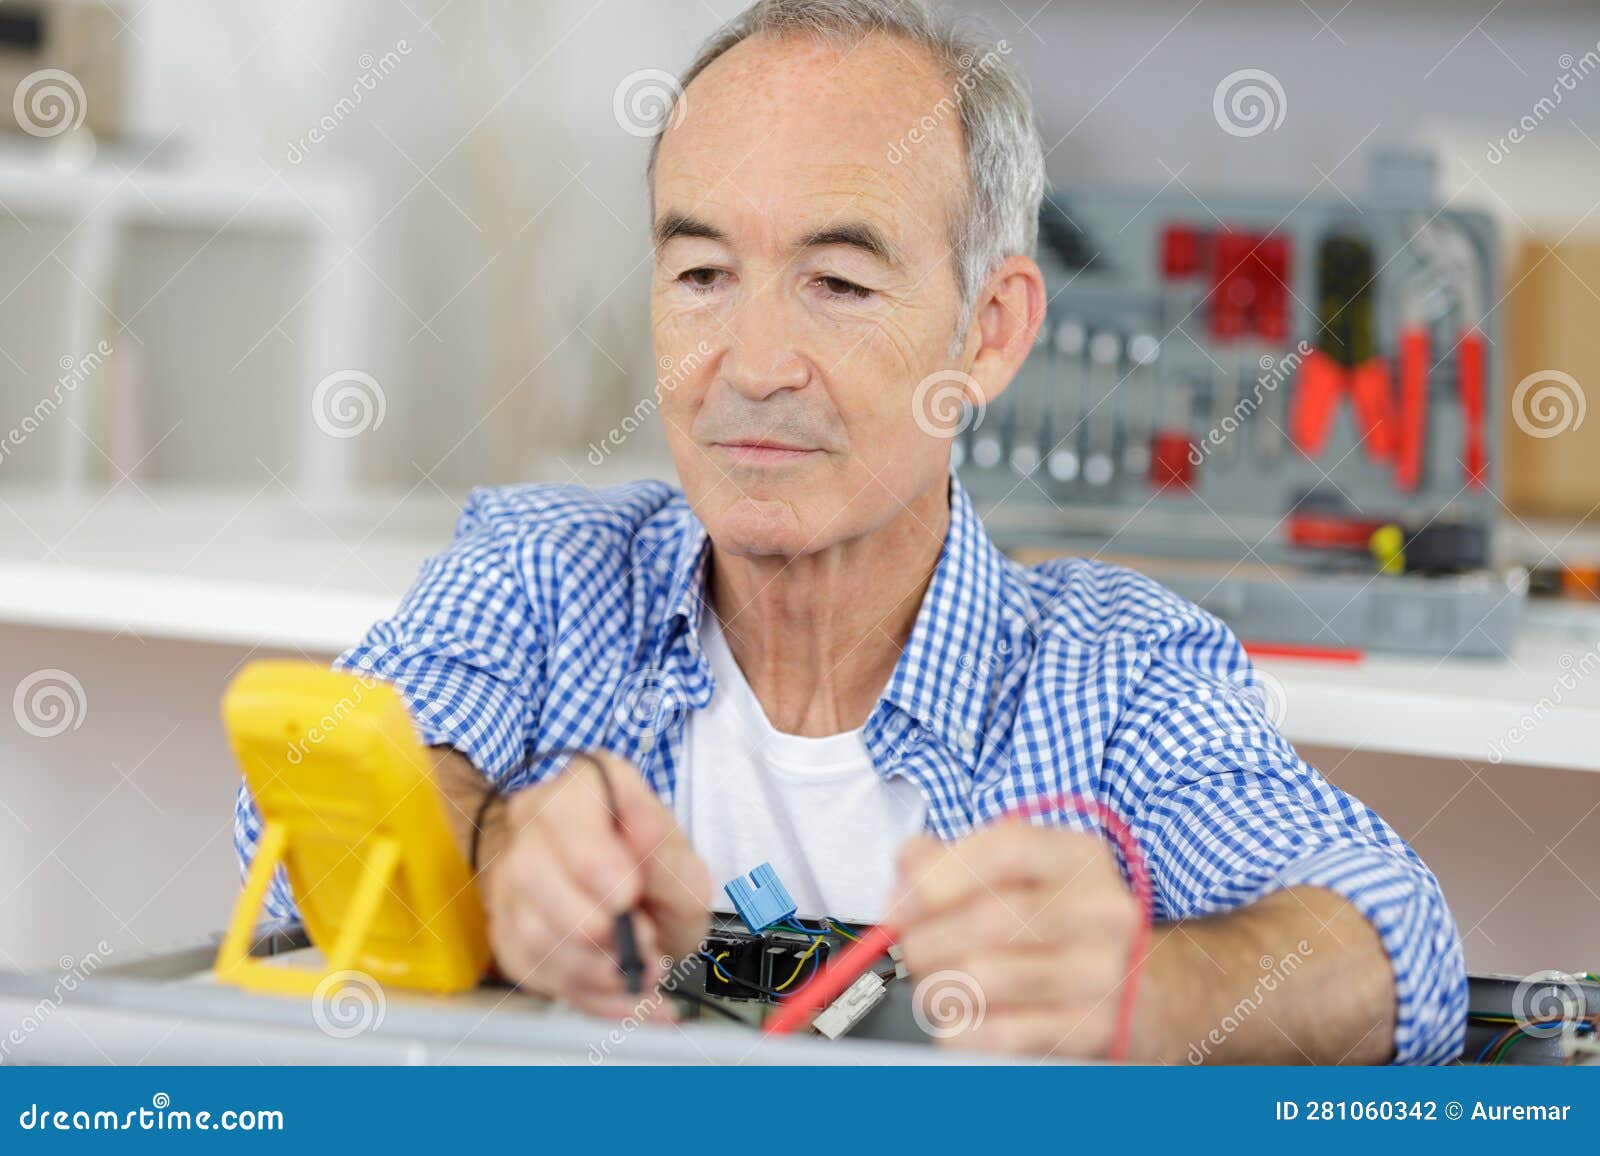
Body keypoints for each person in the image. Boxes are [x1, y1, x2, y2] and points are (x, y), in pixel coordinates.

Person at [235, 0, 1465, 1062]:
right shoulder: (542, 573)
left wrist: (1157, 991)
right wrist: (497, 852)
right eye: (703, 273)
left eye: (838, 282)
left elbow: (1396, 949)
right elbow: (313, 788)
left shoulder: (1115, 675)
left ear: (986, 333)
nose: (754, 365)